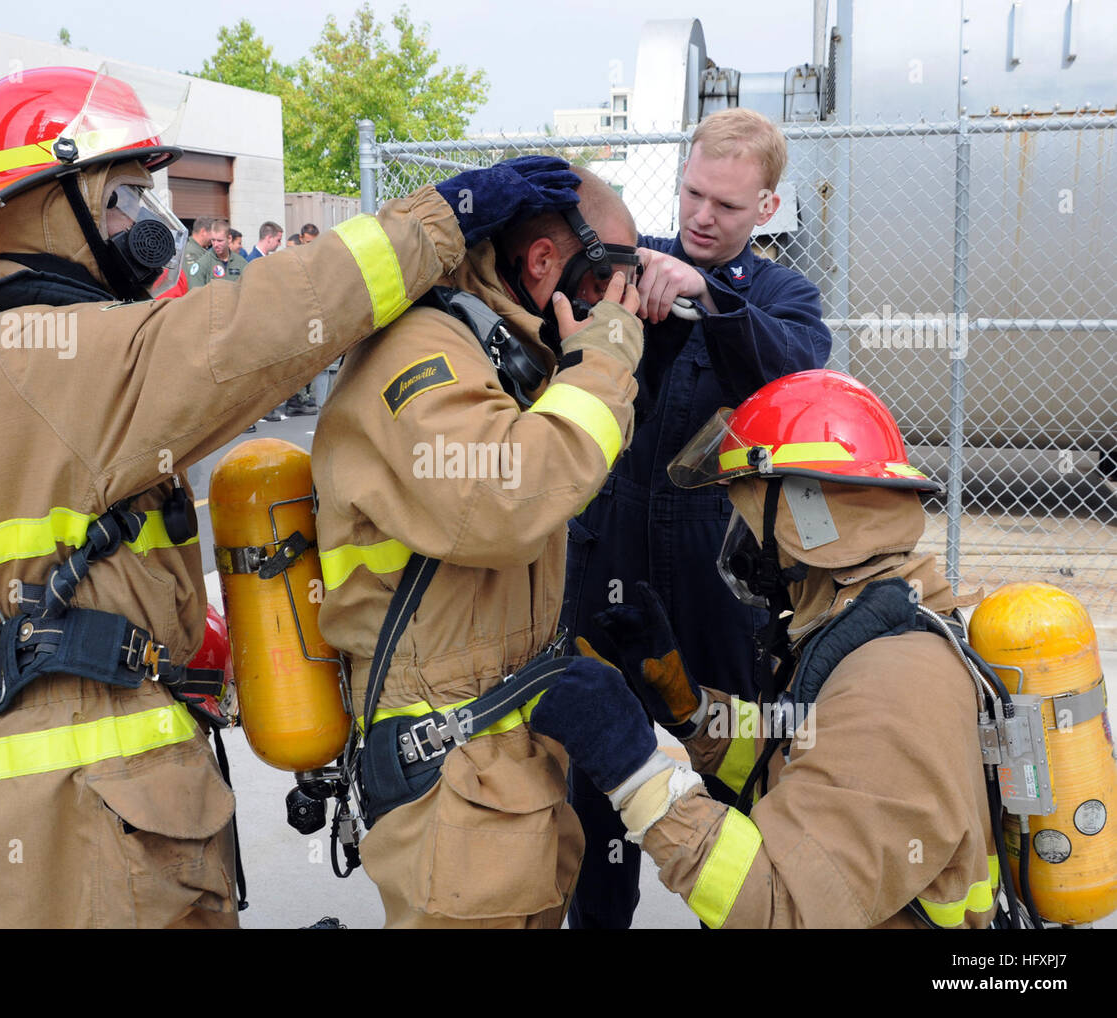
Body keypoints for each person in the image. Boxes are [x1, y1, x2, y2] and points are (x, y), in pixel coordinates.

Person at [0, 65, 579, 929]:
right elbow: (263, 324)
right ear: (52, 201)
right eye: (125, 198)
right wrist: (446, 217)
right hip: (75, 810)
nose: (143, 226)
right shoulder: (67, 353)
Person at [531, 369, 1000, 929]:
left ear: (807, 513)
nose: (739, 540)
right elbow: (811, 759)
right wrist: (694, 713)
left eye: (746, 514)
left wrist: (632, 767)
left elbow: (782, 907)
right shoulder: (860, 620)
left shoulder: (894, 683)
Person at [313, 166, 645, 928]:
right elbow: (503, 498)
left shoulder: (496, 344)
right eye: (609, 280)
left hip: (496, 755)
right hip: (449, 763)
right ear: (542, 266)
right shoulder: (422, 350)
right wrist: (606, 360)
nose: (617, 305)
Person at [562, 105, 833, 929]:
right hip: (609, 554)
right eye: (691, 194)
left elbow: (797, 368)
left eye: (724, 204)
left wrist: (708, 298)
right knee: (599, 777)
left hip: (718, 568)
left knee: (731, 763)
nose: (700, 216)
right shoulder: (632, 268)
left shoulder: (782, 294)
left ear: (766, 210)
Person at [189, 219, 242, 285]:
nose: (215, 245)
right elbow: (195, 292)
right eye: (213, 240)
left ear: (229, 238)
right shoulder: (203, 264)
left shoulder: (241, 263)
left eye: (220, 241)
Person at [182, 215, 214, 280]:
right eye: (212, 234)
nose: (214, 238)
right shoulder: (191, 251)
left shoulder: (199, 250)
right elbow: (193, 279)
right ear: (203, 232)